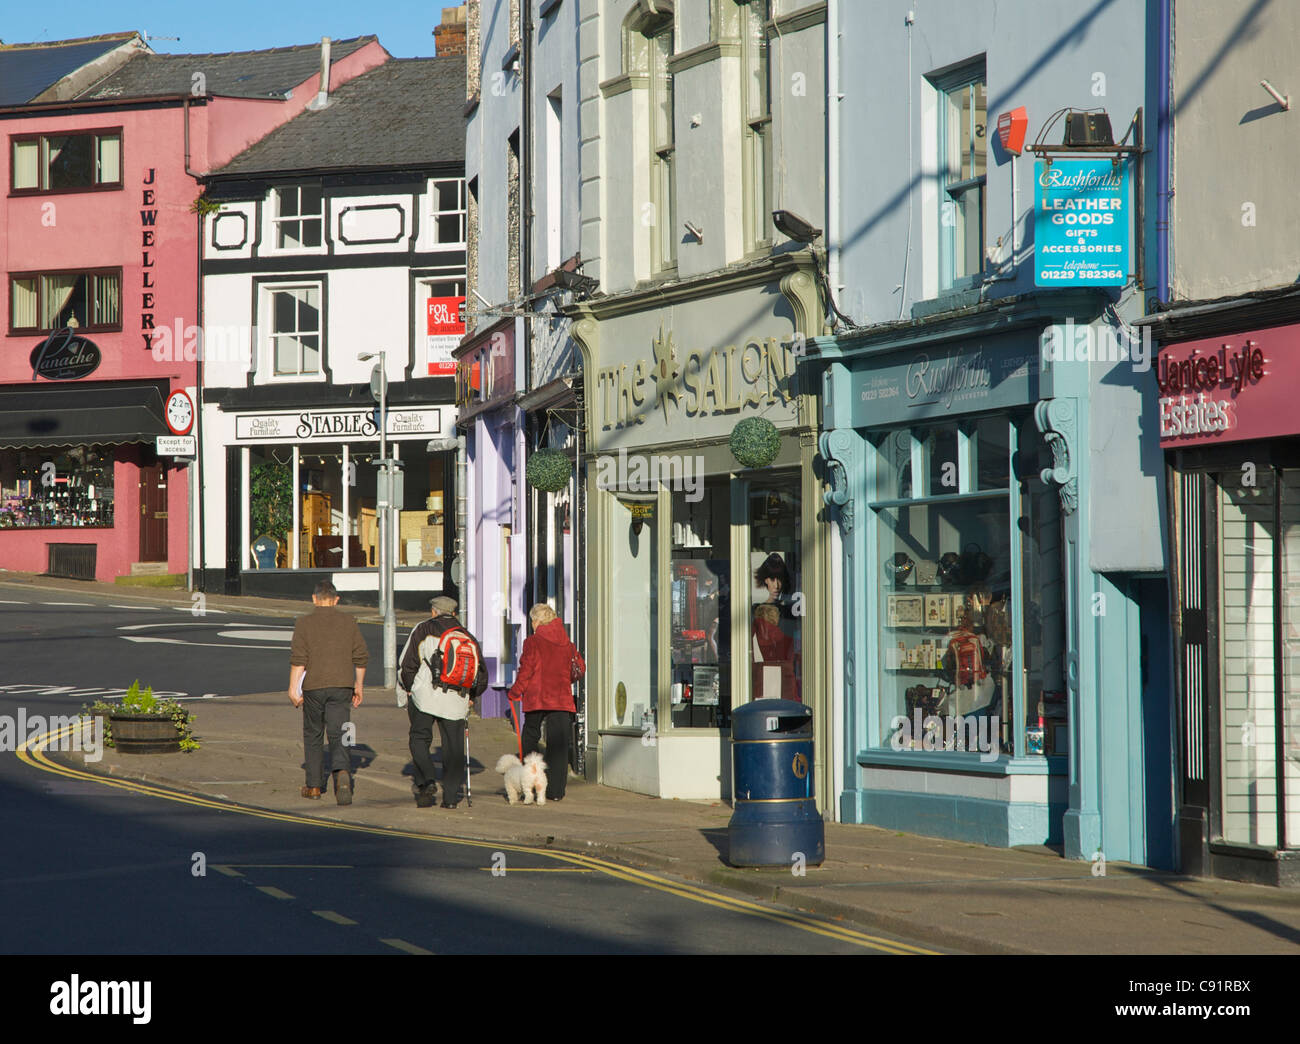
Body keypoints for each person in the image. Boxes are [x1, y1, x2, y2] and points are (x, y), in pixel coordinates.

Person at [398, 595, 487, 809]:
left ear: (433, 611)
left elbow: (408, 664)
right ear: (454, 613)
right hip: (456, 700)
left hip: (425, 696)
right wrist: (472, 696)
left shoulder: (423, 630)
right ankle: (450, 799)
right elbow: (481, 674)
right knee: (454, 749)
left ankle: (427, 780)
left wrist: (410, 689)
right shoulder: (467, 636)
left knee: (419, 738)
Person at [289, 580, 368, 804]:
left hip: (313, 686)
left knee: (313, 734)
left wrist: (293, 689)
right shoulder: (349, 621)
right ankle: (342, 774)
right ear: (336, 600)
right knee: (340, 731)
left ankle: (313, 785)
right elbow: (361, 656)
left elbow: (299, 660)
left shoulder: (304, 623)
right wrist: (358, 685)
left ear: (314, 599)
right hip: (342, 685)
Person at [509, 604, 584, 802]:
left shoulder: (533, 642)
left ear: (537, 621)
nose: (532, 625)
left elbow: (526, 671)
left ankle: (531, 783)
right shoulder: (567, 642)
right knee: (558, 745)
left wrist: (516, 691)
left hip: (538, 697)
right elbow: (580, 668)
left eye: (532, 621)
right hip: (561, 698)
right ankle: (556, 791)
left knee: (530, 738)